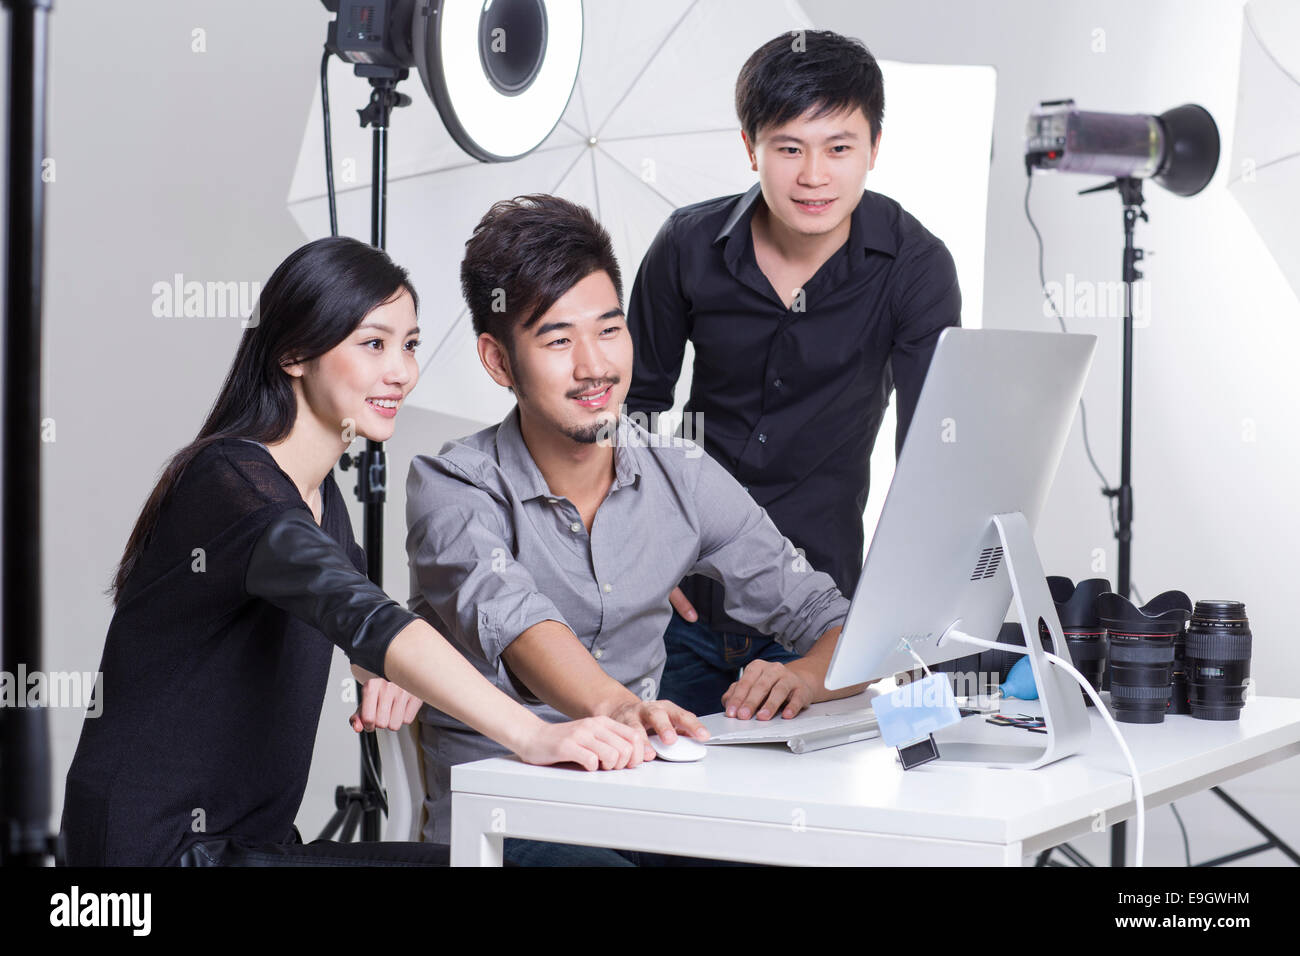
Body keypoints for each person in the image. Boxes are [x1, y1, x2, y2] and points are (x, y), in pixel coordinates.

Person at [59, 236, 642, 867]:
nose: (401, 371)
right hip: (149, 859)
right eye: (373, 343)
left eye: (410, 344)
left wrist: (379, 671)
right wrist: (533, 734)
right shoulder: (229, 483)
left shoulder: (318, 500)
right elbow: (368, 617)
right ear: (292, 353)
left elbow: (357, 618)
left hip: (252, 849)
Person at [405, 195, 867, 865]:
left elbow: (833, 619)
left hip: (643, 803)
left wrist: (808, 676)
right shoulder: (453, 487)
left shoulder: (681, 474)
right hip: (508, 816)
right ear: (499, 361)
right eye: (558, 340)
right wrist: (618, 708)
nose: (594, 366)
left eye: (609, 329)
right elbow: (523, 627)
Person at [625, 30, 962, 718]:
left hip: (817, 618)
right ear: (750, 147)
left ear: (874, 148)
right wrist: (638, 554)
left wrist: (867, 636)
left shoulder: (915, 268)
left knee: (806, 816)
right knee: (649, 806)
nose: (814, 175)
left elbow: (928, 461)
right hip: (681, 606)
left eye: (839, 148)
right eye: (789, 148)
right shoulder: (686, 245)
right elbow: (629, 409)